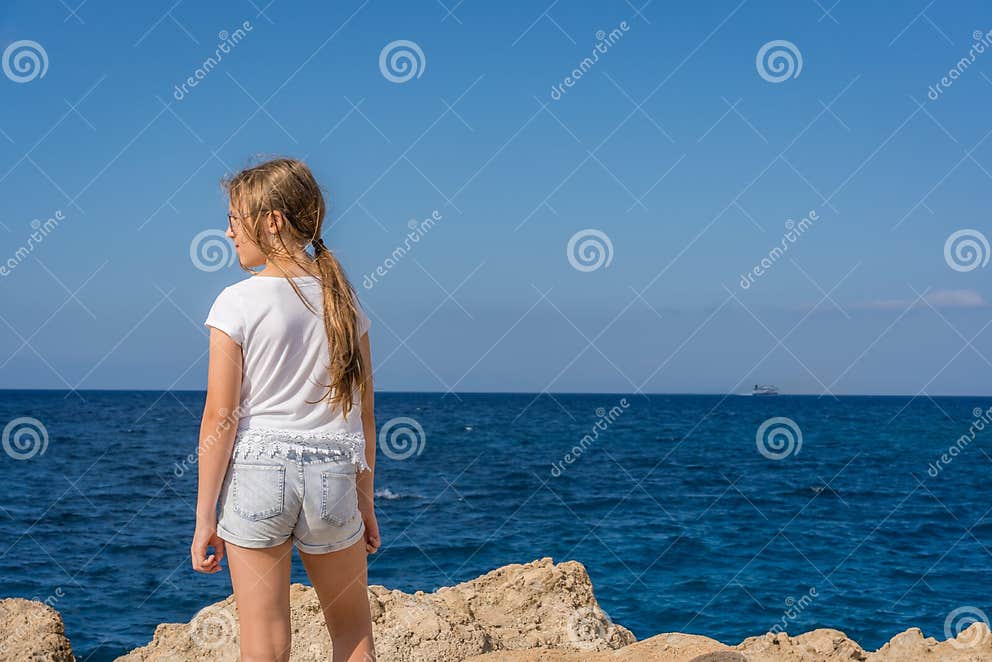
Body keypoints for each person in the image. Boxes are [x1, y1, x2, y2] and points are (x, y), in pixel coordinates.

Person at [190, 157, 379, 662]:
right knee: (353, 634)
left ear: (271, 220)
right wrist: (367, 500)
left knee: (265, 646)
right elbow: (363, 416)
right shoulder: (345, 302)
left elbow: (219, 418)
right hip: (334, 476)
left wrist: (204, 515)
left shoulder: (236, 302)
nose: (228, 230)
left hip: (257, 472)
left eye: (235, 217)